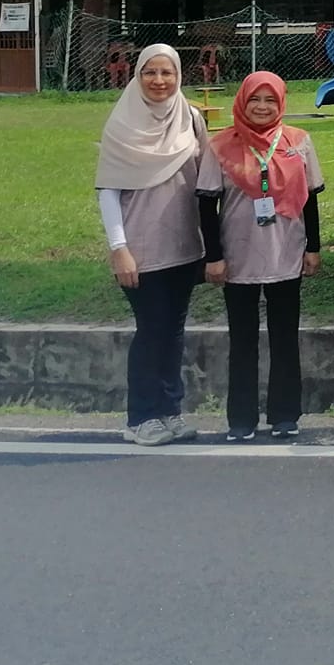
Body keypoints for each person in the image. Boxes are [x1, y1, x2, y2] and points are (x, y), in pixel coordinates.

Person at [94, 43, 208, 447]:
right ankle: (141, 418)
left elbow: (206, 180)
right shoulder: (122, 123)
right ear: (138, 75)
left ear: (178, 76)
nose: (159, 81)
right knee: (151, 329)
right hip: (140, 251)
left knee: (173, 331)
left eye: (167, 72)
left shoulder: (191, 118)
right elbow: (108, 191)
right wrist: (119, 247)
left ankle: (169, 411)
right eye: (150, 72)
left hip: (185, 245)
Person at [199, 71, 323, 442]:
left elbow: (310, 199)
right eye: (255, 99)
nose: (263, 107)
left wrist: (313, 247)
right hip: (239, 256)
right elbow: (207, 205)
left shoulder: (298, 141)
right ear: (242, 101)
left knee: (285, 337)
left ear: (281, 103)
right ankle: (241, 419)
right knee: (242, 340)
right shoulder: (220, 145)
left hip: (286, 253)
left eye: (271, 100)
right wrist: (214, 257)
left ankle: (285, 415)